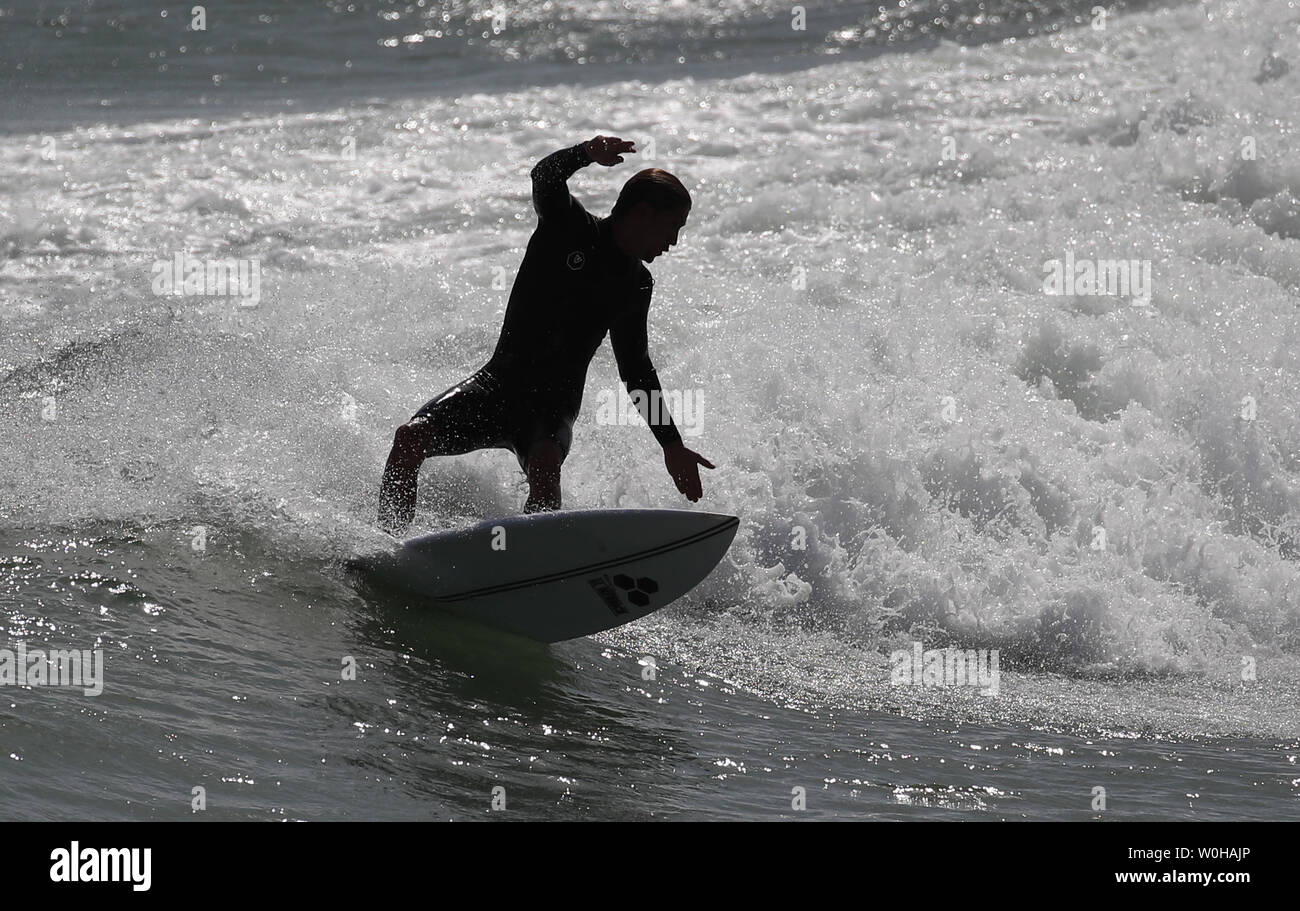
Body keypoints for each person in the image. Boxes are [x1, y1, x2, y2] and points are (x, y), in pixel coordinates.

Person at [377, 135, 715, 534]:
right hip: (497, 388)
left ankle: (533, 565)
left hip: (551, 410)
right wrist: (585, 153)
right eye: (672, 228)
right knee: (409, 440)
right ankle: (390, 546)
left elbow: (636, 370)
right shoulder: (567, 227)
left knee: (543, 466)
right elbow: (544, 178)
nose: (673, 242)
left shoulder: (635, 284)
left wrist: (671, 445)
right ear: (643, 213)